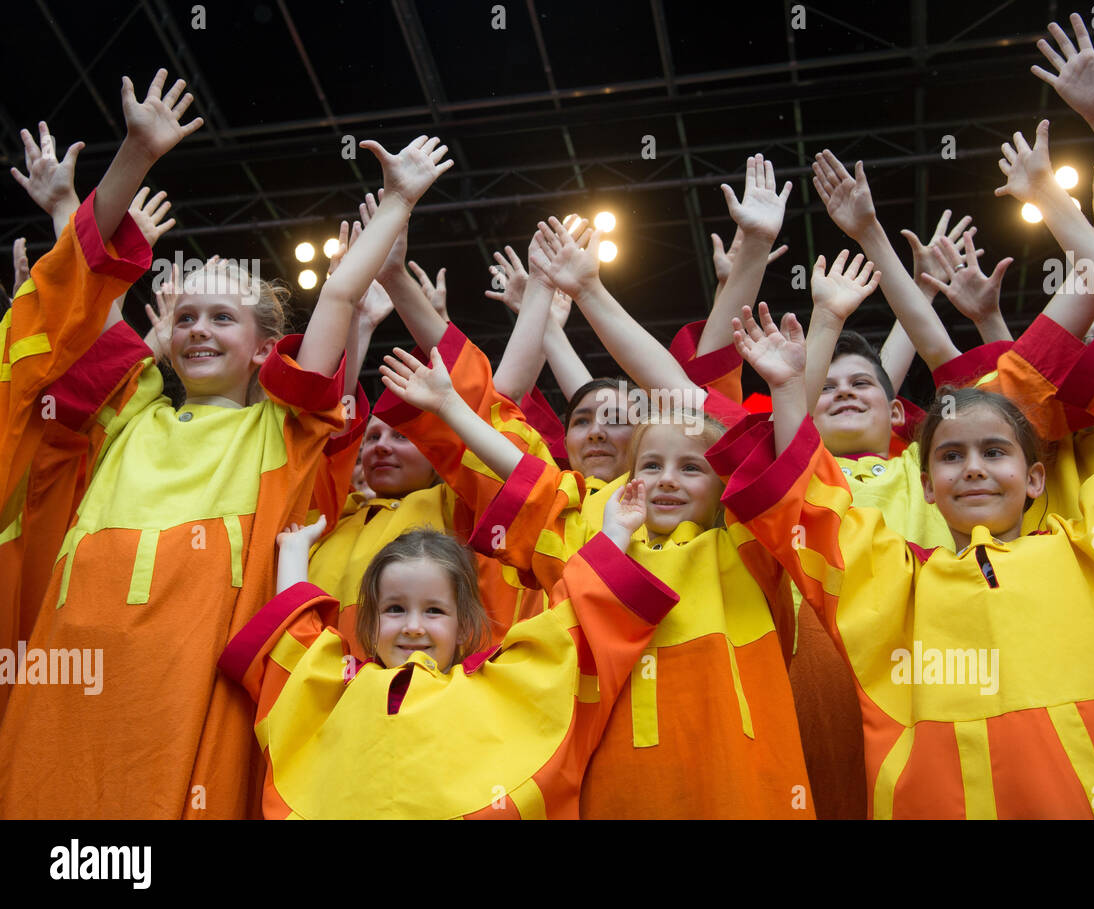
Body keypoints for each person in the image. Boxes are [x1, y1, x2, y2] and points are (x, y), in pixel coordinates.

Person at [713, 271, 1094, 817]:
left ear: (1035, 479)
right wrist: (789, 390)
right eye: (950, 456)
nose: (973, 469)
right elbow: (812, 511)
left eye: (994, 452)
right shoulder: (896, 588)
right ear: (928, 489)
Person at [0, 127, 454, 819]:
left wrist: (396, 202)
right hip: (69, 687)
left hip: (188, 696)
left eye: (221, 317)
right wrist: (104, 177)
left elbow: (335, 299)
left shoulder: (283, 432)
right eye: (184, 317)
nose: (199, 330)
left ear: (265, 348)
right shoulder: (126, 412)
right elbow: (89, 308)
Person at [377, 335, 813, 819]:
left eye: (691, 467)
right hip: (612, 778)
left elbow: (793, 482)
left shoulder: (749, 548)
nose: (667, 479)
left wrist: (789, 387)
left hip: (735, 778)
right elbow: (529, 477)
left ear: (724, 488)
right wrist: (449, 407)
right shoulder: (597, 536)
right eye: (651, 465)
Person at [219, 480, 677, 819]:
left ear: (463, 627)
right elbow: (295, 640)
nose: (414, 626)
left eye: (434, 611)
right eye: (395, 608)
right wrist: (295, 551)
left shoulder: (496, 682)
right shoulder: (335, 686)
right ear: (371, 620)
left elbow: (571, 628)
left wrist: (615, 532)